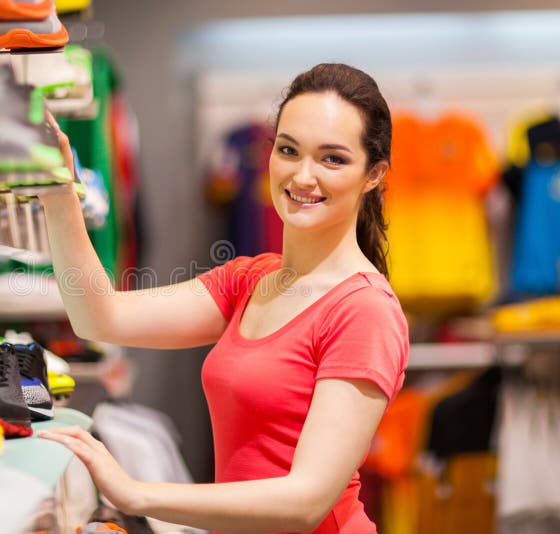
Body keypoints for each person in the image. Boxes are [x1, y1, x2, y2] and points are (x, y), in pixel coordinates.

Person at [37, 63, 409, 534]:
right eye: (288, 150)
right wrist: (58, 196)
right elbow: (98, 316)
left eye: (332, 159)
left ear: (373, 174)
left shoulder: (364, 310)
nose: (303, 175)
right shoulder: (249, 280)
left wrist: (136, 492)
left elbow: (307, 500)